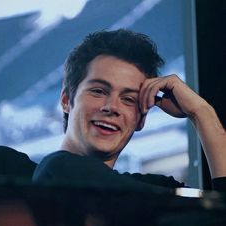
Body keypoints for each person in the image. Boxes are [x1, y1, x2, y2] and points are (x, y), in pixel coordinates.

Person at [32, 29, 226, 192]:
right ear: (66, 100)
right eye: (99, 91)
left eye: (128, 99)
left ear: (141, 119)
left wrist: (202, 113)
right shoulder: (9, 167)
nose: (112, 107)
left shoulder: (161, 192)